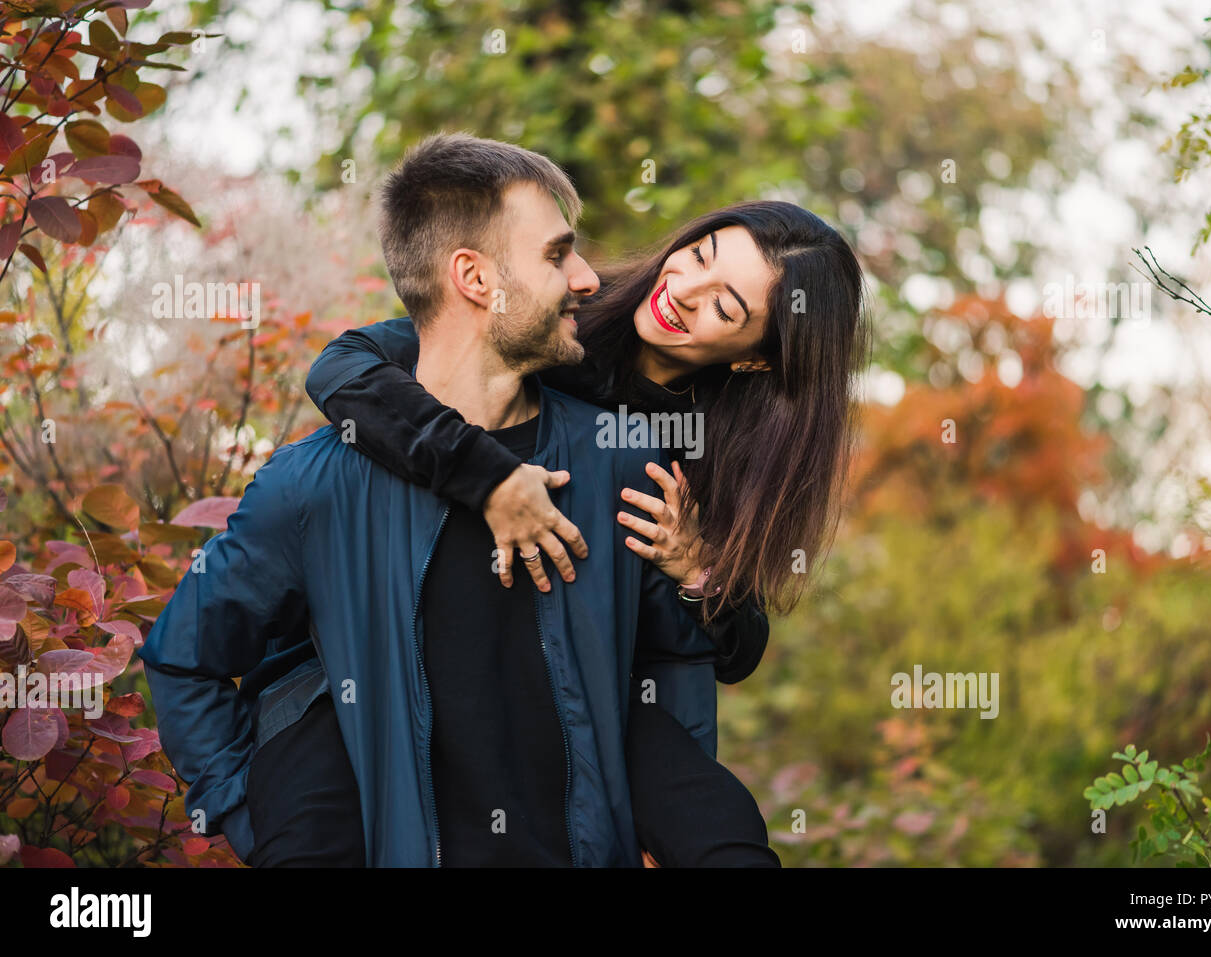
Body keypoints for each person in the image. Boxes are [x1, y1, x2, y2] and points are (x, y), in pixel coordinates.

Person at [139, 132, 775, 867]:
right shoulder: (316, 483)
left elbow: (678, 661)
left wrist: (671, 823)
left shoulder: (629, 458)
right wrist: (260, 818)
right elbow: (186, 661)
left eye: (727, 305)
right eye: (556, 254)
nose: (588, 278)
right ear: (474, 278)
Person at [297, 194, 870, 865]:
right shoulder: (554, 321)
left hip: (592, 690)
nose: (684, 291)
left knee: (724, 836)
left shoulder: (714, 453)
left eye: (725, 306)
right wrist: (488, 476)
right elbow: (343, 368)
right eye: (699, 256)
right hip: (446, 644)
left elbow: (736, 646)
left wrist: (697, 568)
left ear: (756, 359)